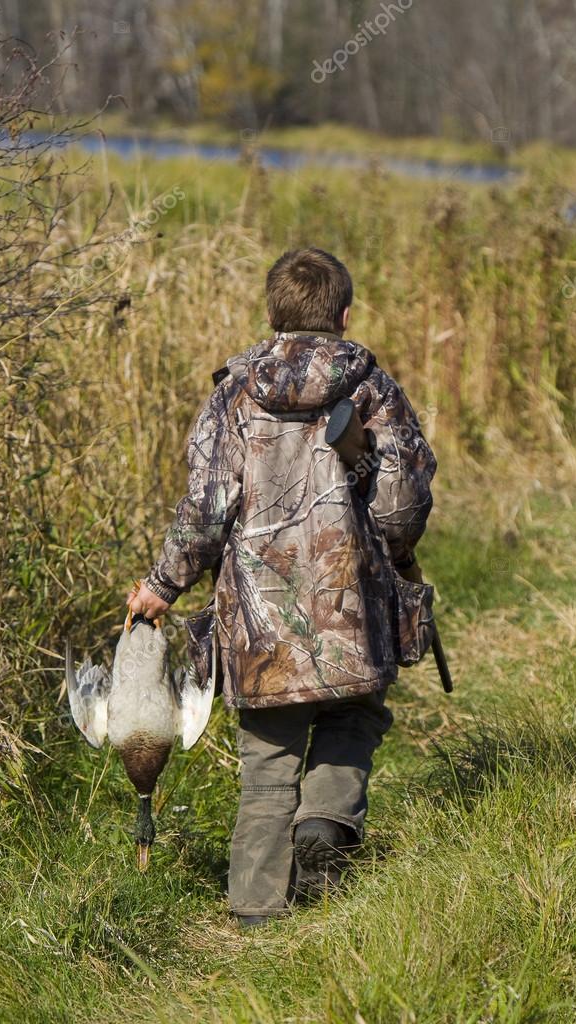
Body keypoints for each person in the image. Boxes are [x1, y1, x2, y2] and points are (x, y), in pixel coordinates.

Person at [127, 247, 436, 925]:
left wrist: (162, 586)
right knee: (355, 715)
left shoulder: (233, 394)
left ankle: (255, 916)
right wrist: (396, 549)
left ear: (271, 316)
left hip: (258, 627)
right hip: (351, 610)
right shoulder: (374, 389)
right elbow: (401, 505)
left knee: (266, 768)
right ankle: (324, 823)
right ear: (345, 314)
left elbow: (206, 509)